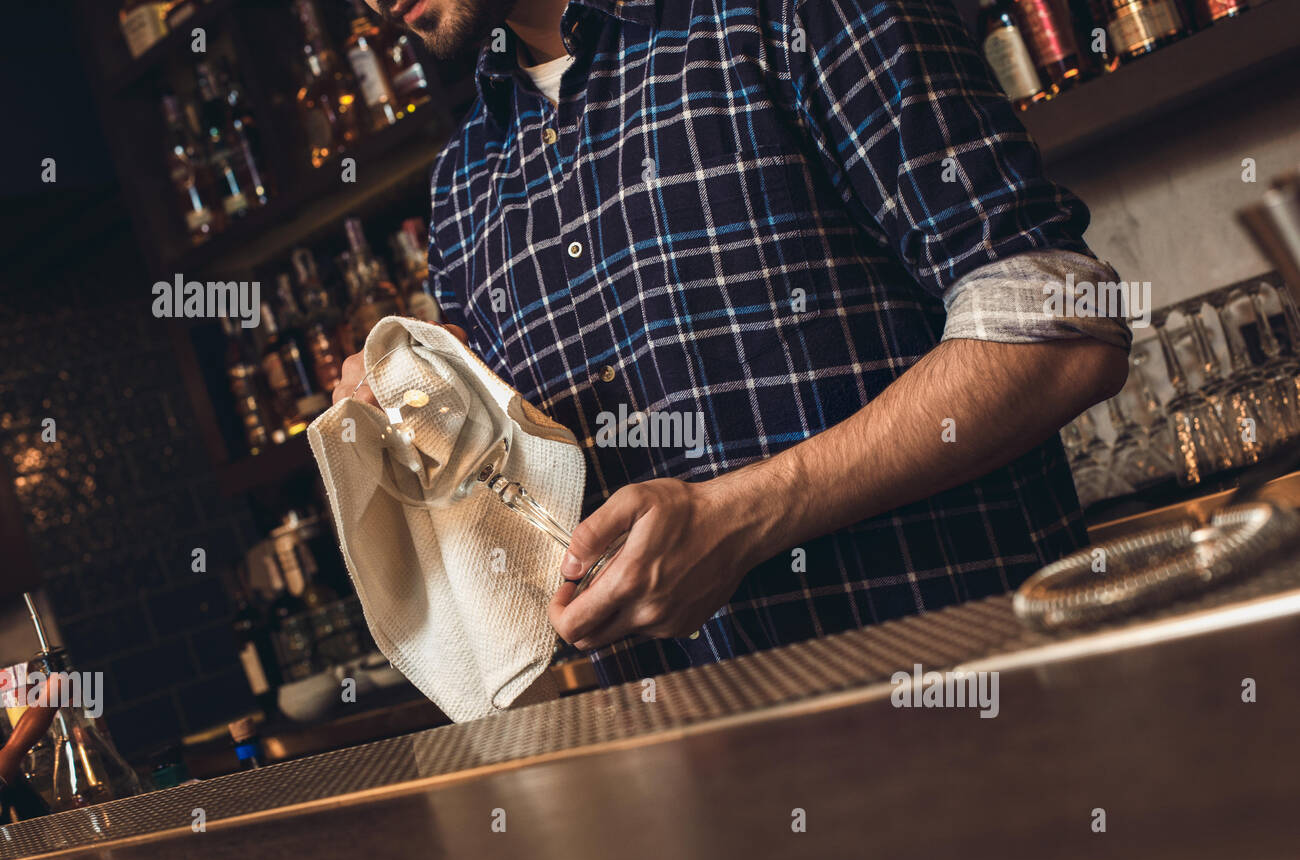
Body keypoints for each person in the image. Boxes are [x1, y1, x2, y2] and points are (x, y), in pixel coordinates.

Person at [338, 0, 1131, 686]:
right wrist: (423, 410)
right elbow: (524, 524)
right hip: (709, 786)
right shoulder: (463, 185)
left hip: (985, 707)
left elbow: (1063, 325)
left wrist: (746, 516)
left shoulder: (788, 15)